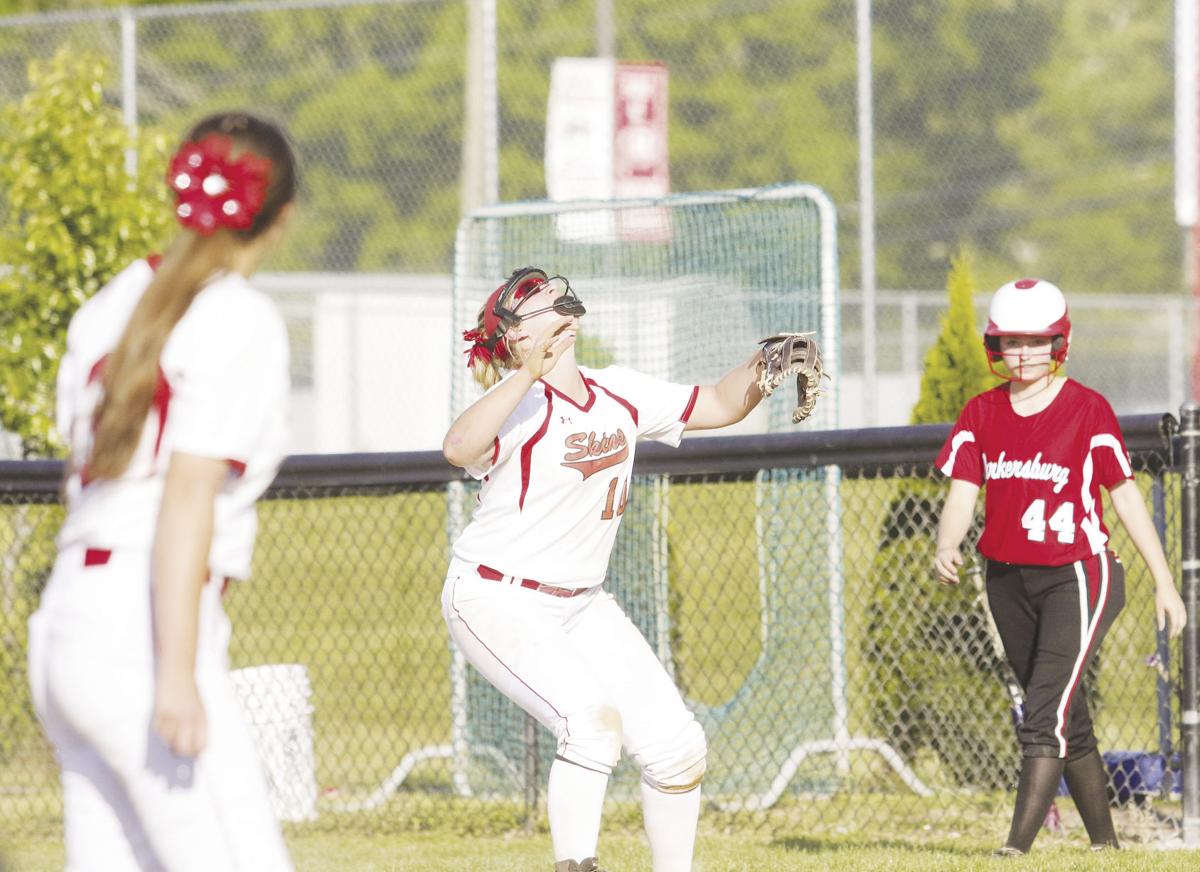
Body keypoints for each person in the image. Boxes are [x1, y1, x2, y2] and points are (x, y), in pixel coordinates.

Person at [442, 267, 797, 872]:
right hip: (495, 598)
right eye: (539, 307)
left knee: (678, 749)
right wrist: (525, 370)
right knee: (590, 724)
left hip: (580, 604)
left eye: (561, 300)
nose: (559, 308)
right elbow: (458, 447)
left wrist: (768, 364)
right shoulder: (519, 403)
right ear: (515, 337)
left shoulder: (617, 390)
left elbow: (715, 403)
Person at [26, 112, 298, 871]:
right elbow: (185, 497)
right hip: (142, 630)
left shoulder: (112, 301)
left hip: (72, 623)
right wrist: (176, 674)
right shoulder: (238, 317)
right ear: (281, 217)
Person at [932, 278, 1187, 857]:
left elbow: (1124, 497)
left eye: (1036, 341)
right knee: (1066, 717)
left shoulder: (1087, 409)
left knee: (1042, 714)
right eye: (1010, 342)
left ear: (1060, 343)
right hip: (1007, 578)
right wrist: (948, 544)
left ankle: (1014, 850)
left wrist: (1163, 581)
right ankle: (1106, 848)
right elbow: (964, 490)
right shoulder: (982, 411)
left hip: (1079, 574)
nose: (1022, 354)